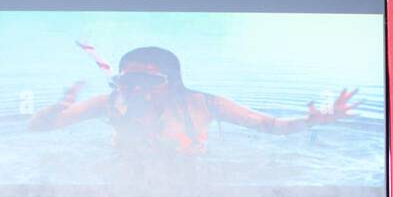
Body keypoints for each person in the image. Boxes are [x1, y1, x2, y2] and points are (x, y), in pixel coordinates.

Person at [28, 46, 357, 159]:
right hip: (124, 171)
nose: (138, 90)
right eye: (130, 81)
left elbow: (271, 127)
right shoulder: (109, 103)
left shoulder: (204, 105)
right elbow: (37, 129)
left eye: (150, 81)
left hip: (190, 172)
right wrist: (55, 108)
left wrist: (317, 119)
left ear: (172, 82)